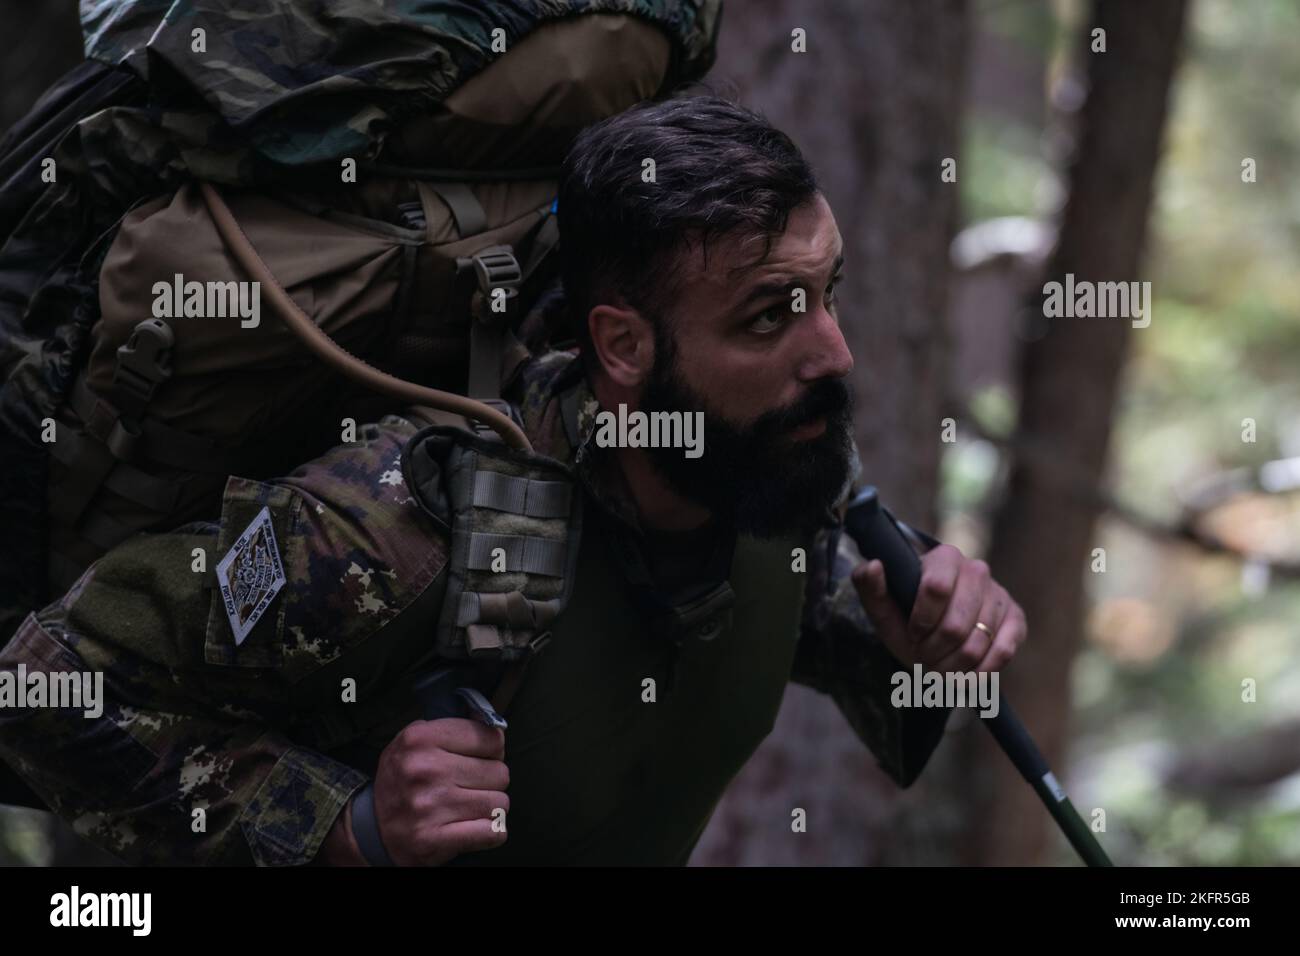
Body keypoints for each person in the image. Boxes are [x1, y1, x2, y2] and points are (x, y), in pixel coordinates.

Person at [0, 94, 1026, 866]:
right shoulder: (403, 526)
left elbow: (814, 649)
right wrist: (342, 827)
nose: (834, 353)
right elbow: (43, 683)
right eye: (770, 313)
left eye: (826, 293)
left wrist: (930, 637)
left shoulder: (762, 470)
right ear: (622, 348)